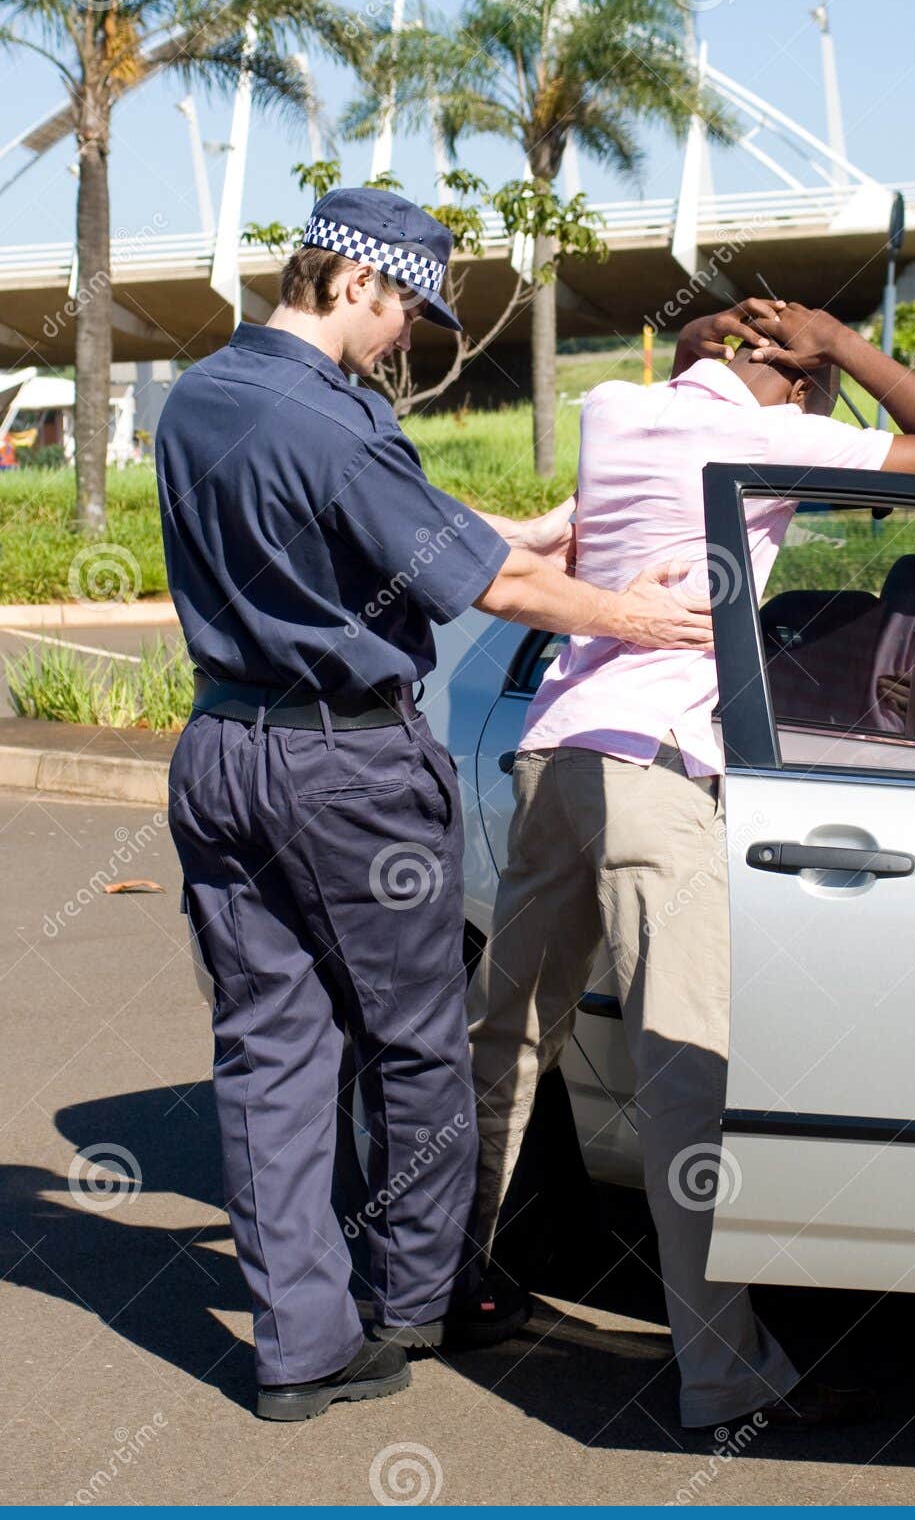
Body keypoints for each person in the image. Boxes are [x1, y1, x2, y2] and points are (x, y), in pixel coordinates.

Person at [155, 186, 715, 1423]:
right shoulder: (340, 423)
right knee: (416, 1042)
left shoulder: (200, 398)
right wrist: (641, 614)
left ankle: (298, 1345)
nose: (403, 335)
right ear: (353, 282)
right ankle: (420, 1295)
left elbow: (375, 531)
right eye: (403, 307)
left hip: (221, 750)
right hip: (342, 770)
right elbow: (496, 589)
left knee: (268, 1052)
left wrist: (528, 531)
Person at [468, 297, 915, 1441]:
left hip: (551, 755)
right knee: (682, 1080)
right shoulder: (778, 439)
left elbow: (542, 543)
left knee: (503, 1039)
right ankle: (721, 1378)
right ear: (796, 382)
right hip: (655, 776)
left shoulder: (614, 411)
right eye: (816, 377)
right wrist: (845, 349)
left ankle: (437, 1284)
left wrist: (748, 339)